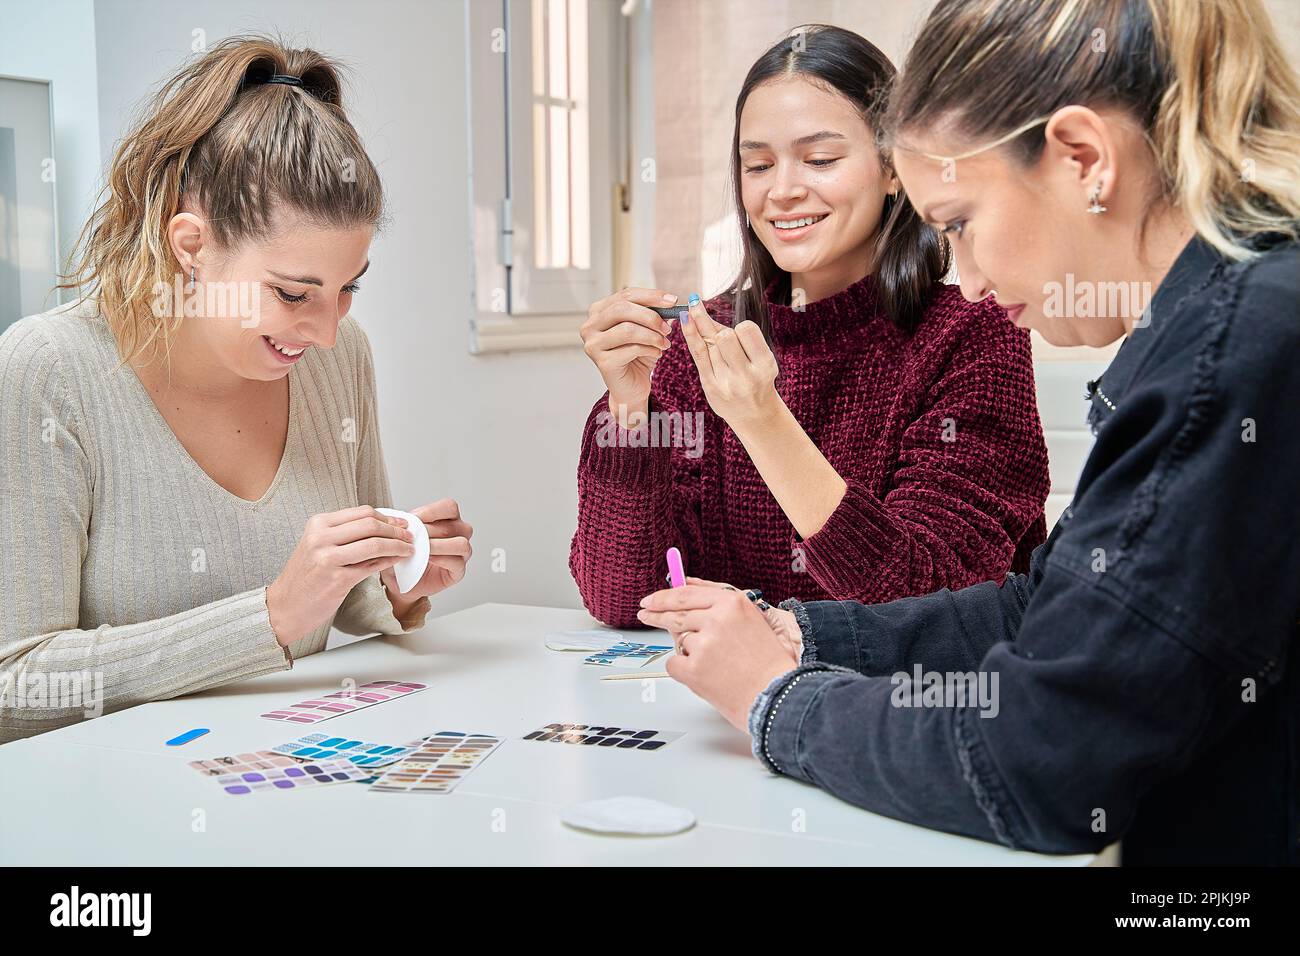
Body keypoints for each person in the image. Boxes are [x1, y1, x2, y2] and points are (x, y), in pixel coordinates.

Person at [638, 0, 1300, 865]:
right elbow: (1051, 603)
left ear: (1082, 159)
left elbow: (1044, 760)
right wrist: (813, 637)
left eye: (958, 222)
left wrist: (777, 698)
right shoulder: (1227, 320)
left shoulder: (1231, 357)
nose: (973, 278)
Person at [0, 37, 472, 743]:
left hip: (281, 776)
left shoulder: (340, 362)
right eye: (292, 293)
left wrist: (395, 584)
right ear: (191, 246)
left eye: (349, 289)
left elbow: (341, 603)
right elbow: (19, 681)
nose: (326, 333)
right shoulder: (50, 371)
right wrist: (272, 614)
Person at [570, 25, 1049, 628]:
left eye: (820, 160)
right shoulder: (703, 343)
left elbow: (933, 604)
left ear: (893, 167)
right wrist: (630, 411)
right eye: (758, 165)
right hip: (728, 709)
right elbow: (623, 601)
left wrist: (762, 420)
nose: (783, 191)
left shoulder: (974, 335)